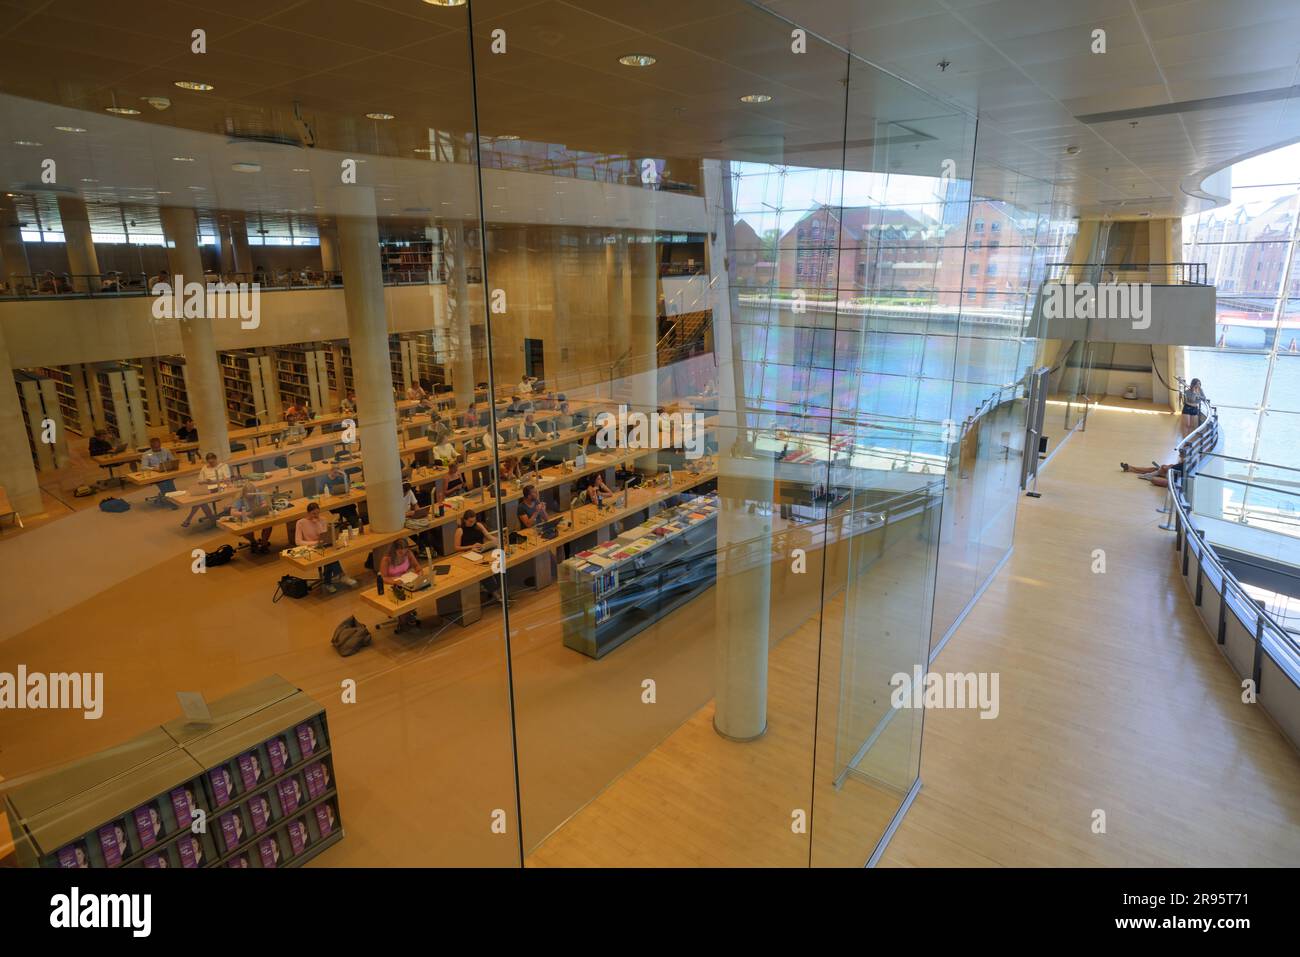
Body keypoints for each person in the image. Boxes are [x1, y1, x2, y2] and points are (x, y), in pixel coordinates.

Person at [296, 502, 357, 593]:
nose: (316, 516)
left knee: (330, 555)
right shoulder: (301, 523)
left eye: (317, 513)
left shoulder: (322, 520)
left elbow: (324, 535)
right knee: (331, 557)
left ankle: (328, 582)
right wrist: (315, 543)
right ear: (308, 513)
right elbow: (298, 541)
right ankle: (340, 576)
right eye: (313, 514)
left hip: (324, 545)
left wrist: (318, 524)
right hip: (311, 548)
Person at [380, 539, 423, 631]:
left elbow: (417, 566)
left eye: (404, 550)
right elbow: (383, 577)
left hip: (405, 580)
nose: (402, 553)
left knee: (416, 591)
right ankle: (404, 620)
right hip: (391, 583)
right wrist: (394, 582)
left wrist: (419, 573)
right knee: (402, 596)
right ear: (394, 550)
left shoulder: (408, 553)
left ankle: (408, 614)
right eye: (400, 551)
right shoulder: (386, 559)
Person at [181, 452, 231, 527]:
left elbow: (227, 479)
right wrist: (205, 482)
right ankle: (212, 519)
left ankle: (189, 518)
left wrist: (213, 481)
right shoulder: (204, 467)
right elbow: (199, 480)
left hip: (220, 486)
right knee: (199, 499)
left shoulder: (223, 466)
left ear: (216, 459)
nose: (211, 464)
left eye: (213, 462)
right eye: (209, 462)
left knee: (200, 500)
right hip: (207, 487)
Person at [230, 481, 274, 552]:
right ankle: (253, 541)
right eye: (249, 497)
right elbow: (233, 512)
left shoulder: (257, 493)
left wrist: (262, 507)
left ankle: (264, 543)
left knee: (268, 525)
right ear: (244, 494)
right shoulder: (239, 497)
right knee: (245, 529)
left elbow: (264, 503)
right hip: (246, 517)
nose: (251, 498)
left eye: (252, 497)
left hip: (257, 515)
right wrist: (246, 513)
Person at [140, 436, 180, 506]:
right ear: (151, 447)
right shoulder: (146, 454)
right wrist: (153, 468)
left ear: (160, 445)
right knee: (165, 483)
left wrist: (171, 464)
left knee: (168, 481)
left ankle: (171, 497)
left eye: (158, 447)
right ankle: (171, 499)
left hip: (166, 471)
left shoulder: (166, 450)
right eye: (155, 448)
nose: (158, 449)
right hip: (155, 474)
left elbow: (173, 460)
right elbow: (143, 467)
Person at [1120, 450, 1185, 489]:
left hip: (1171, 479)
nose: (1179, 455)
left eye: (1181, 454)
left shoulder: (1184, 464)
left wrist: (1164, 467)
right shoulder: (1182, 462)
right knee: (1153, 469)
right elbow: (1171, 466)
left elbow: (1169, 468)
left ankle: (1151, 475)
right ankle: (1129, 468)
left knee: (1154, 479)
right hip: (1167, 474)